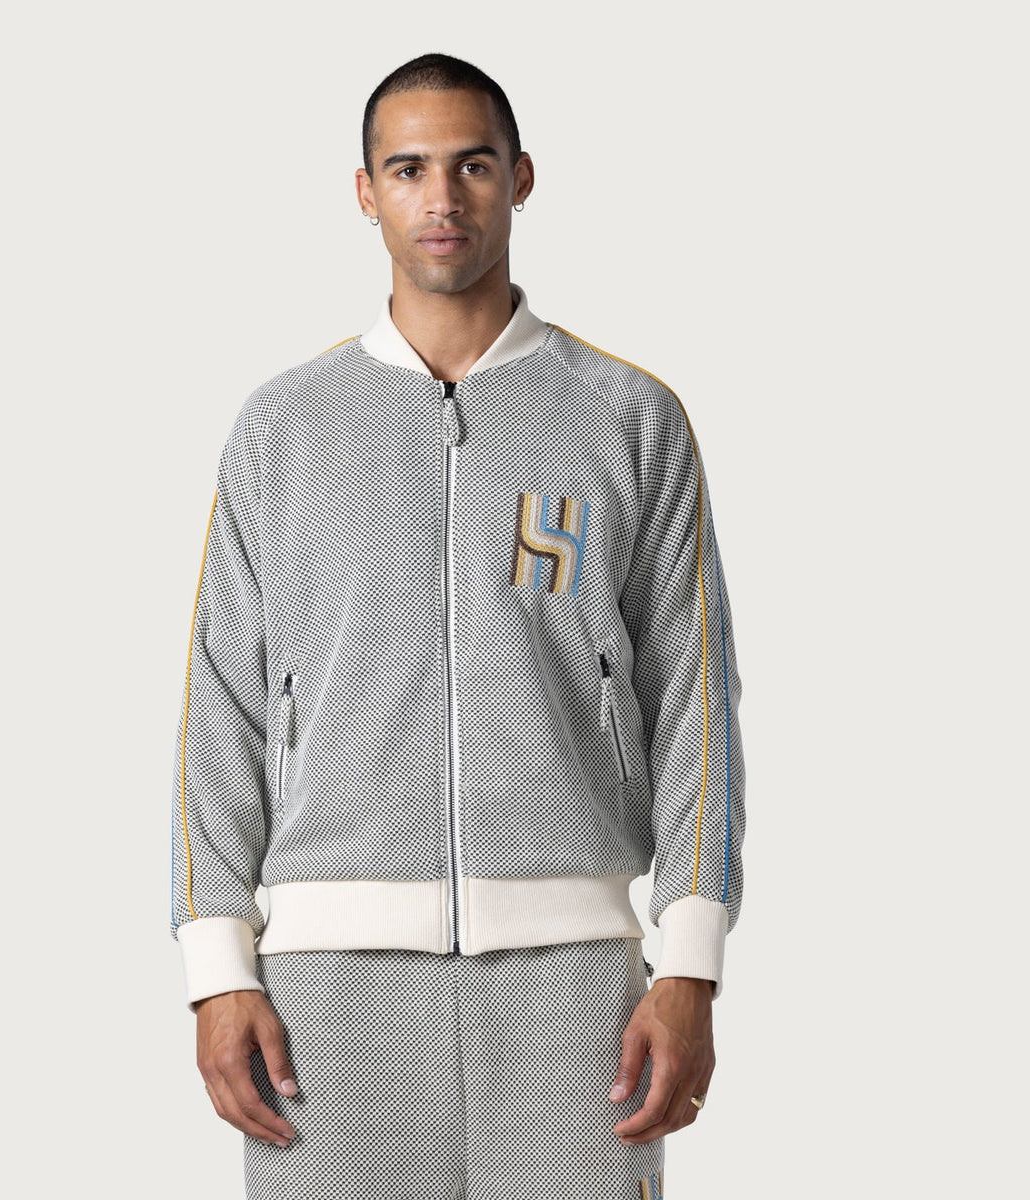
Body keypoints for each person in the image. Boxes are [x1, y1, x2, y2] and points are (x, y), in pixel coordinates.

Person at [169, 52, 746, 1200]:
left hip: (577, 986)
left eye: (473, 165)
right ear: (365, 191)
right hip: (326, 992)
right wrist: (217, 965)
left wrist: (690, 963)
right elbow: (219, 708)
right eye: (409, 168)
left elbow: (696, 704)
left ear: (521, 179)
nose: (442, 198)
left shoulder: (628, 420)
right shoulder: (283, 430)